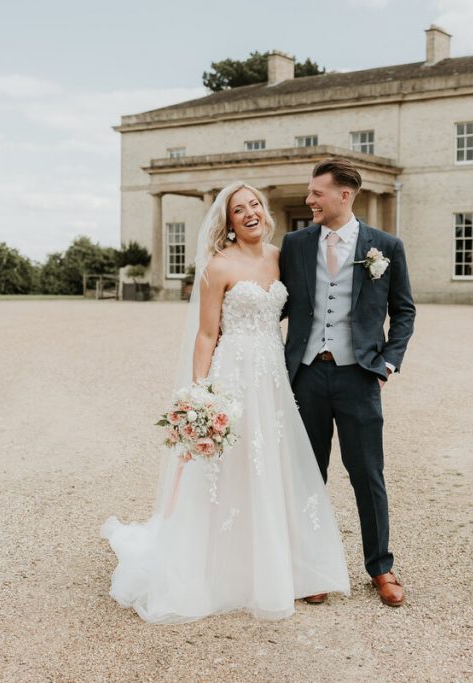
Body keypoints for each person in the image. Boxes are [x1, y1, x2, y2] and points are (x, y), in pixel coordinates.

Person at [100, 182, 350, 624]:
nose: (250, 212)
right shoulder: (218, 266)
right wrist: (200, 393)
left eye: (254, 204)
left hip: (274, 376)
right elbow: (206, 333)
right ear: (229, 221)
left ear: (264, 211)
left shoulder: (281, 257)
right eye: (239, 209)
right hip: (234, 374)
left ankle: (281, 566)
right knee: (229, 467)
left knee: (273, 464)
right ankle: (219, 568)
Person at [280, 158, 416, 607]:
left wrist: (387, 365)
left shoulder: (386, 247)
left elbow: (404, 312)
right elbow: (278, 303)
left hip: (359, 375)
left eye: (317, 193)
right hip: (305, 376)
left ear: (345, 194)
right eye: (309, 192)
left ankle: (381, 567)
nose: (308, 200)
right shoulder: (295, 244)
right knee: (308, 475)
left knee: (367, 474)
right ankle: (313, 568)